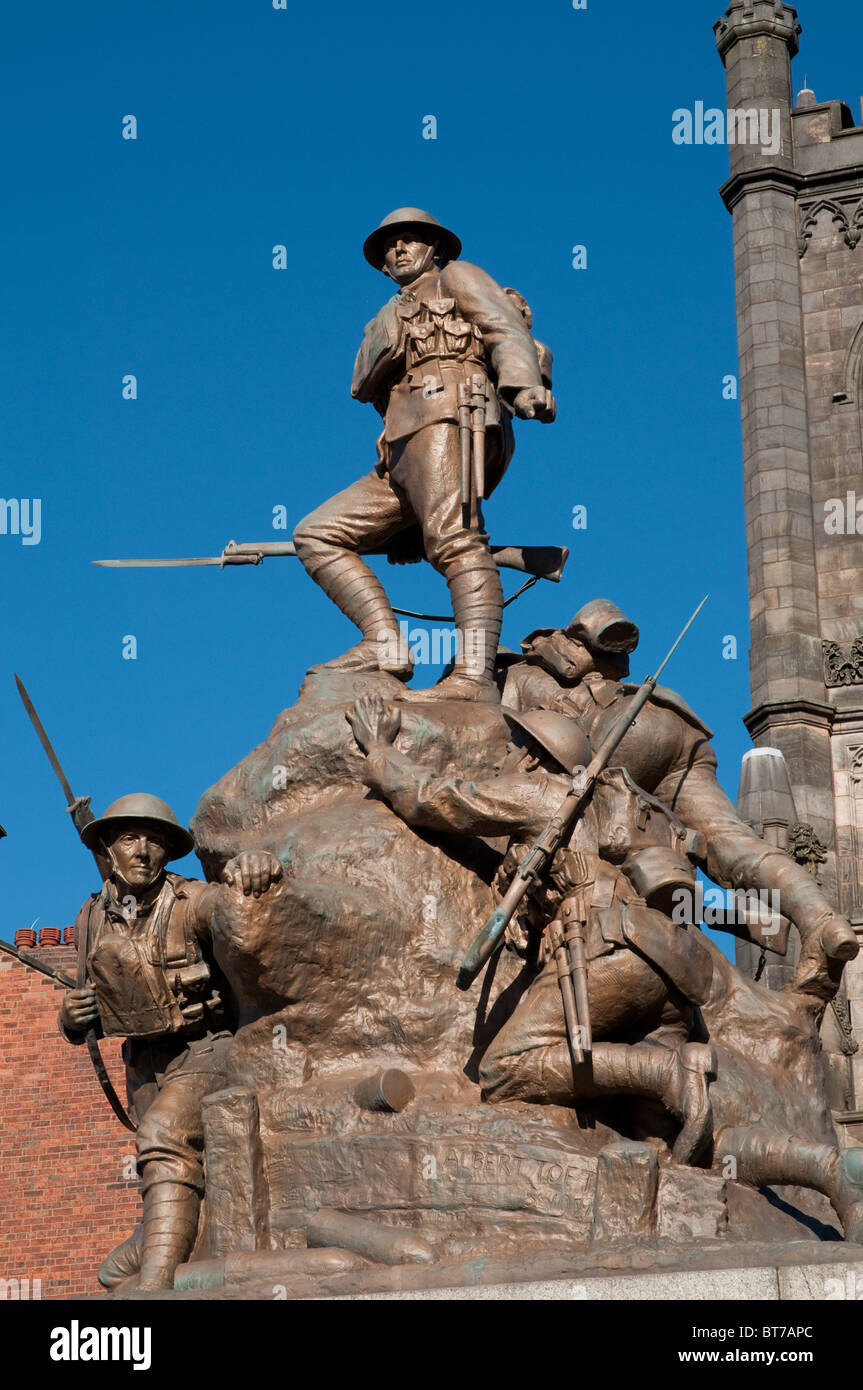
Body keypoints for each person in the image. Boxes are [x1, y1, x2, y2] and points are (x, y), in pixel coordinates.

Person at [346, 694, 717, 1163]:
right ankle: (815, 1166)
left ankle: (666, 1073)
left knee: (504, 1069)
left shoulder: (543, 791)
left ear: (530, 755)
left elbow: (440, 798)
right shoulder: (607, 811)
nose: (503, 757)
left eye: (510, 747)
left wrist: (379, 750)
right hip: (668, 967)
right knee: (659, 1140)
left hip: (605, 948)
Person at [502, 599, 859, 995]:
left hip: (595, 733)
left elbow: (498, 769)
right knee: (729, 840)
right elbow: (724, 839)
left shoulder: (522, 674)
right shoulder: (661, 707)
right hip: (659, 724)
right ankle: (819, 917)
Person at [293, 208, 555, 702]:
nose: (398, 250)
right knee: (316, 534)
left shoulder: (456, 277)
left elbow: (502, 326)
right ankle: (383, 642)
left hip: (450, 414)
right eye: (390, 246)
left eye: (410, 240)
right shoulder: (385, 317)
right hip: (401, 446)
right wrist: (406, 523)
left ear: (435, 248)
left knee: (454, 541)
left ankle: (474, 675)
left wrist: (523, 387)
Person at [59, 793, 282, 1291]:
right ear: (108, 850)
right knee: (117, 1258)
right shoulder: (89, 917)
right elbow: (85, 1002)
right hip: (143, 1065)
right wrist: (70, 1019)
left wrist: (257, 871)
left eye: (155, 841)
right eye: (129, 839)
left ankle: (155, 1288)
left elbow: (234, 910)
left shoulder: (192, 901)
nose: (143, 851)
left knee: (162, 1137)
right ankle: (164, 1250)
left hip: (205, 1050)